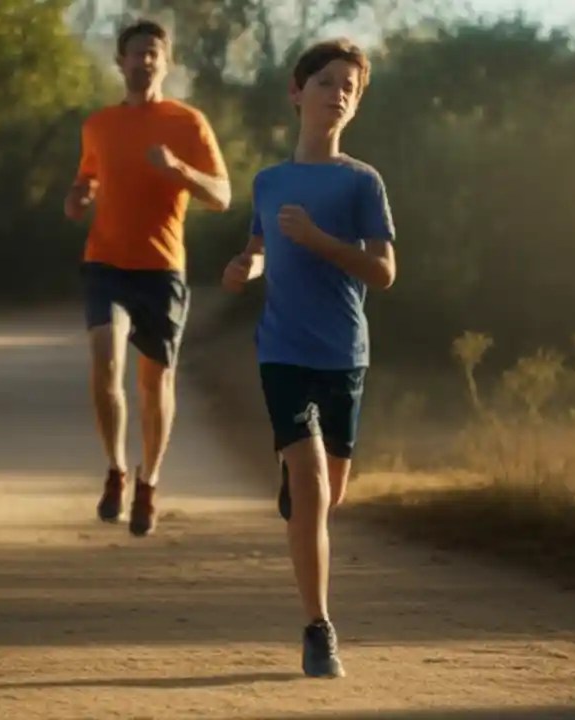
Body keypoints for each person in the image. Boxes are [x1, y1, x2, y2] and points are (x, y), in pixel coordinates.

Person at [221, 38, 397, 678]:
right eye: (326, 81)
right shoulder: (269, 181)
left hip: (344, 351)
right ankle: (318, 627)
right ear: (297, 93)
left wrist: (320, 240)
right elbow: (263, 246)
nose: (339, 92)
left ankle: (299, 487)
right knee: (312, 484)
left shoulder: (361, 181)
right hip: (282, 349)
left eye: (350, 86)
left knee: (329, 495)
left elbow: (383, 272)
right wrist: (246, 266)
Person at [64, 19, 231, 537]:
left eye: (154, 53)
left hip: (162, 268)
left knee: (155, 382)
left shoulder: (188, 123)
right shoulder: (98, 125)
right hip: (106, 262)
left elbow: (222, 196)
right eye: (136, 53)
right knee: (105, 360)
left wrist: (180, 169)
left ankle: (149, 480)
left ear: (168, 62)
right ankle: (116, 469)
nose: (145, 61)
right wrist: (76, 199)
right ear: (121, 62)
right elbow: (85, 179)